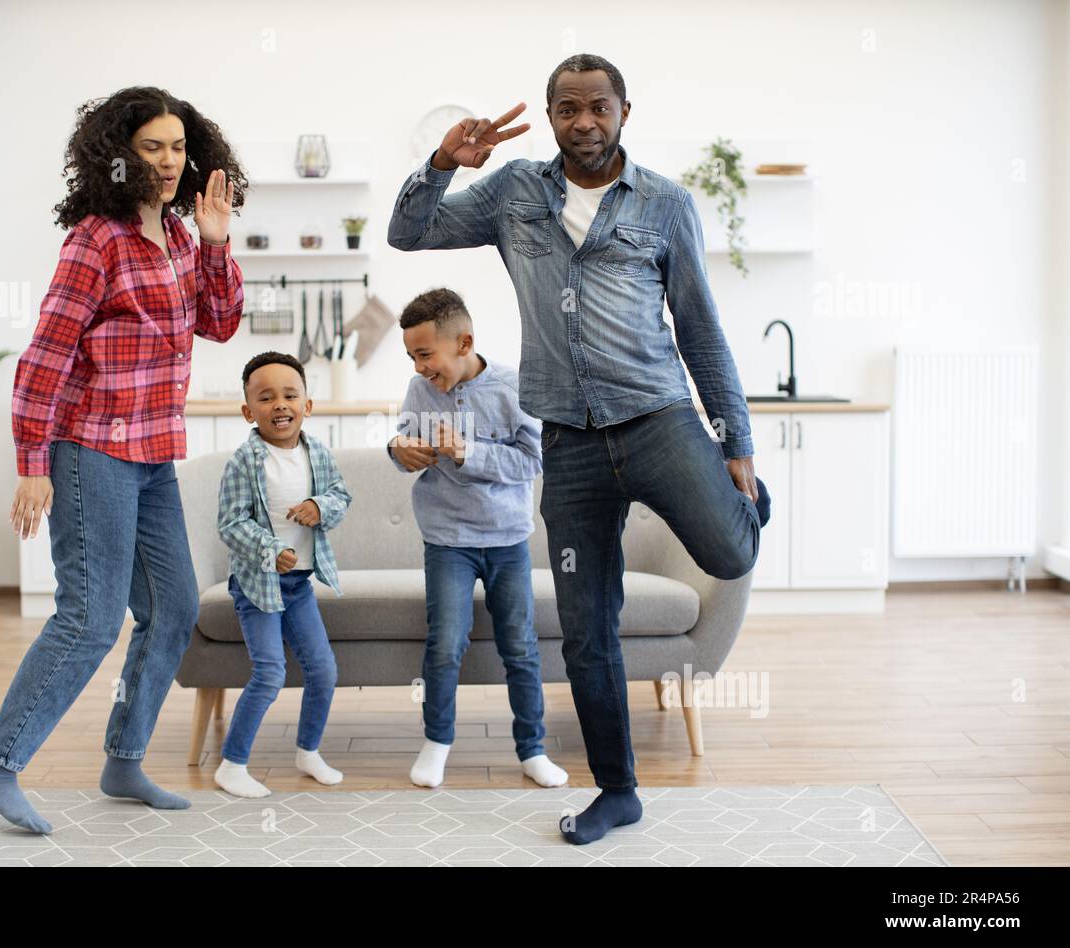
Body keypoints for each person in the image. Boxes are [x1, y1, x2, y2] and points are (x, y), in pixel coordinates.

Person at [387, 54, 771, 845]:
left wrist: (735, 439)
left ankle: (750, 510)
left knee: (733, 554)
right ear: (553, 115)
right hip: (567, 441)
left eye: (599, 107)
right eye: (568, 108)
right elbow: (407, 232)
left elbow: (699, 327)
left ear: (625, 111)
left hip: (658, 418)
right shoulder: (512, 193)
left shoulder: (665, 205)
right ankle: (618, 791)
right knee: (589, 629)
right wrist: (440, 164)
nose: (583, 121)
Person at [0, 86, 245, 834]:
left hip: (154, 452)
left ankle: (125, 758)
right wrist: (32, 463)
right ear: (118, 155)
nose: (167, 161)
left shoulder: (183, 239)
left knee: (176, 608)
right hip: (89, 450)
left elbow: (219, 325)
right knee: (91, 618)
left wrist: (216, 241)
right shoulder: (97, 238)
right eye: (151, 146)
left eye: (178, 147)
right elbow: (45, 357)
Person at [386, 288, 567, 790]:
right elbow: (400, 442)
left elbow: (532, 462)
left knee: (521, 647)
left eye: (426, 355)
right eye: (412, 357)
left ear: (463, 343)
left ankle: (532, 749)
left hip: (507, 539)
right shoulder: (420, 391)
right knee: (444, 643)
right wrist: (400, 449)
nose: (420, 367)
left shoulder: (514, 388)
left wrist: (469, 453)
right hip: (447, 540)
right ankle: (437, 741)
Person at [213, 352, 352, 798]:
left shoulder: (318, 453)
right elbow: (231, 523)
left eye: (290, 395)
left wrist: (319, 507)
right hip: (258, 585)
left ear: (307, 405)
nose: (280, 404)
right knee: (270, 672)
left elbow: (340, 496)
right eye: (266, 397)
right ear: (247, 411)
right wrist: (271, 551)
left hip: (300, 585)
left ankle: (307, 751)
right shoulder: (245, 461)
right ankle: (232, 764)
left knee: (324, 671)